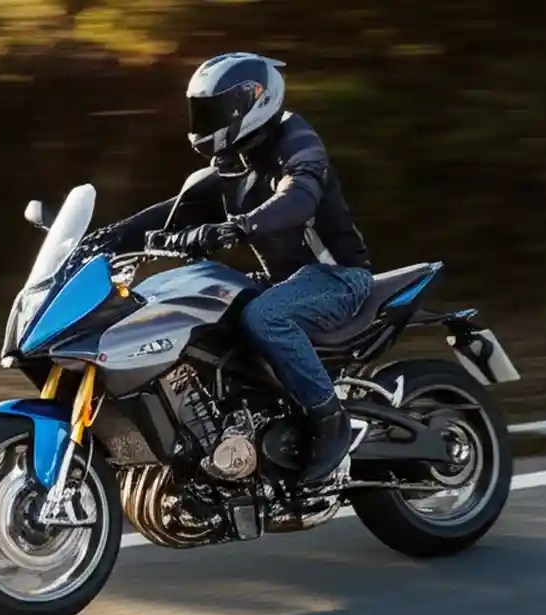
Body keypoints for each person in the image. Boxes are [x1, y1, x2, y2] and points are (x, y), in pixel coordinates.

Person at [87, 52, 373, 487]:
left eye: (214, 111)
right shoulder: (230, 164)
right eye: (200, 111)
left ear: (252, 102)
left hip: (338, 277)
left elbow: (298, 197)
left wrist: (238, 227)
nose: (205, 122)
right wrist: (105, 238)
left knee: (265, 317)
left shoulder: (296, 141)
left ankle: (330, 420)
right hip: (285, 282)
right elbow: (170, 212)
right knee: (195, 306)